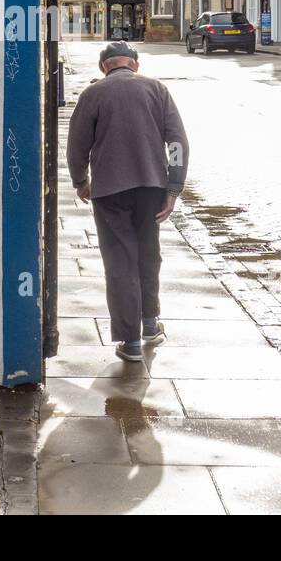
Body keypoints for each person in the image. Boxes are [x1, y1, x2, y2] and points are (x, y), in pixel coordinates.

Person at [67, 41, 189, 362]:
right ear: (135, 64)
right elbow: (176, 142)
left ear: (104, 67)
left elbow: (76, 146)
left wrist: (81, 181)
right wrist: (173, 188)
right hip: (152, 187)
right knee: (149, 255)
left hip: (109, 190)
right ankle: (150, 323)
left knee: (120, 262)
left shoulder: (93, 94)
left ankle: (130, 341)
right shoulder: (157, 90)